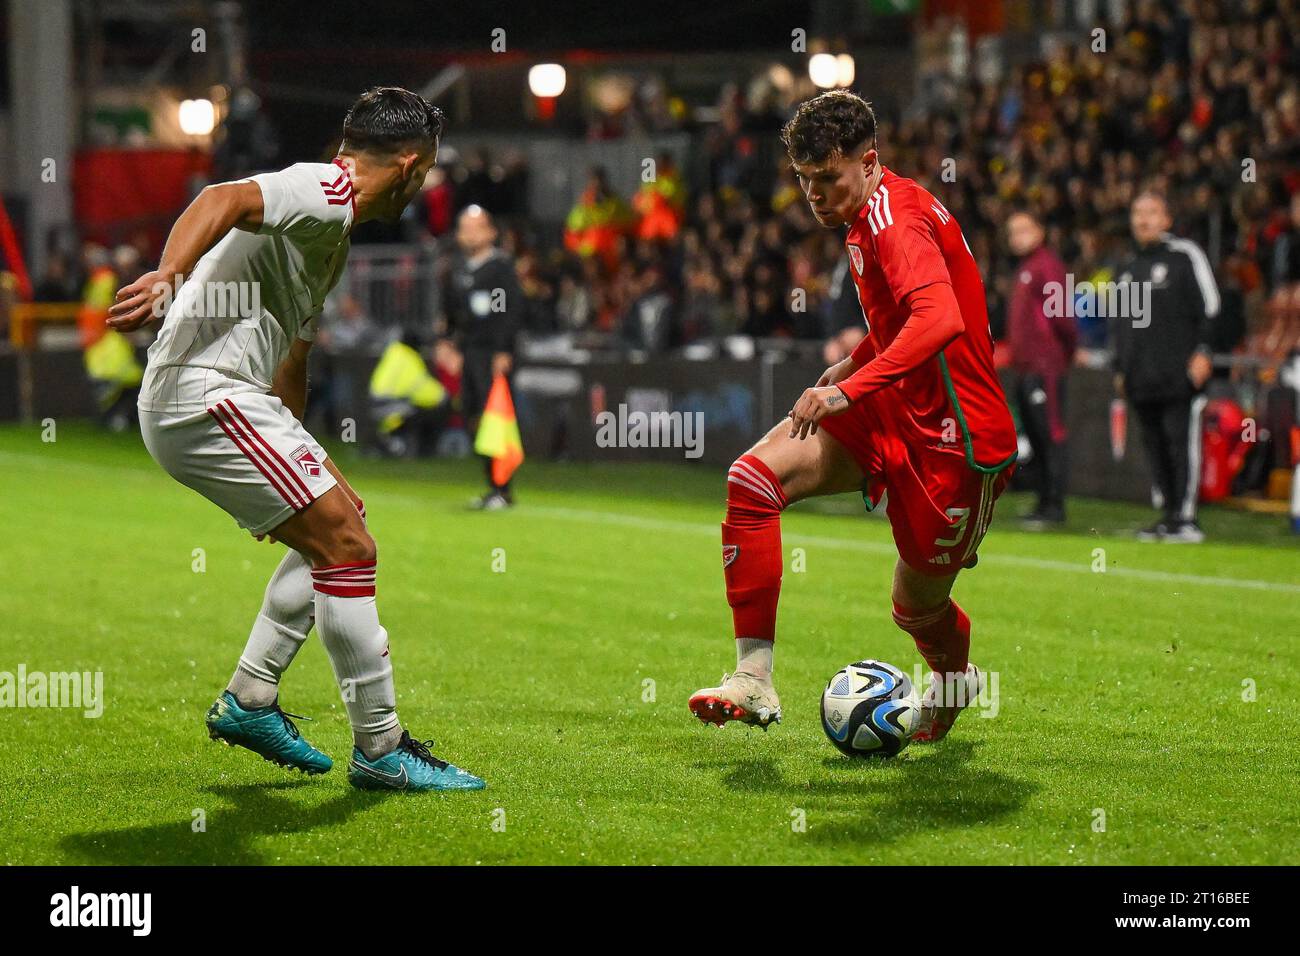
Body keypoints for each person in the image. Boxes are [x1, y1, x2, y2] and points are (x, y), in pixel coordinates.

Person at [110, 86, 485, 792]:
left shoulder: (331, 240)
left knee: (342, 522)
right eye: (429, 170)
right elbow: (220, 199)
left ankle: (252, 698)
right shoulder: (326, 190)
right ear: (409, 165)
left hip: (232, 401)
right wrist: (167, 277)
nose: (426, 183)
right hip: (203, 393)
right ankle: (381, 747)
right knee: (348, 546)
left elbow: (293, 360)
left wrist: (293, 464)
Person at [689, 90, 1017, 743]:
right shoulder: (869, 215)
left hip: (955, 439)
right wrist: (856, 366)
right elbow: (905, 320)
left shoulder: (893, 222)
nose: (814, 194)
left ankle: (953, 683)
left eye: (827, 178)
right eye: (805, 180)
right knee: (752, 481)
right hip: (893, 402)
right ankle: (752, 678)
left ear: (869, 162)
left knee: (915, 607)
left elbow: (940, 319)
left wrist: (848, 387)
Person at [1113, 191, 1219, 543]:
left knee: (1179, 443)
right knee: (1155, 446)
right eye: (1137, 212)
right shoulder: (1127, 266)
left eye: (1152, 212)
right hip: (1140, 376)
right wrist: (1120, 368)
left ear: (1167, 219)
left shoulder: (1184, 256)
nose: (1143, 219)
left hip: (1178, 373)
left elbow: (1212, 308)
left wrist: (1204, 351)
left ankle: (1185, 519)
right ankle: (1168, 515)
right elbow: (1121, 323)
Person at [442, 205, 523, 509]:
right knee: (474, 417)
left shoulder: (501, 268)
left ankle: (503, 489)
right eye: (464, 227)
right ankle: (492, 486)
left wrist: (504, 349)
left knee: (497, 420)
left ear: (490, 232)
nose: (468, 233)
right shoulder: (458, 269)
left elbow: (511, 312)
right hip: (470, 352)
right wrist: (448, 343)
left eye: (475, 227)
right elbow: (451, 314)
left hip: (492, 354)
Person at [1005, 210, 1075, 526]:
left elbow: (1063, 319)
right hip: (1028, 367)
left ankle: (1054, 505)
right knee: (1036, 434)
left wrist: (1062, 354)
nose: (1017, 237)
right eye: (1012, 232)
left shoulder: (1047, 267)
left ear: (1040, 231)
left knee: (1050, 434)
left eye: (1023, 230)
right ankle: (1044, 500)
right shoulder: (1027, 268)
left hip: (1044, 367)